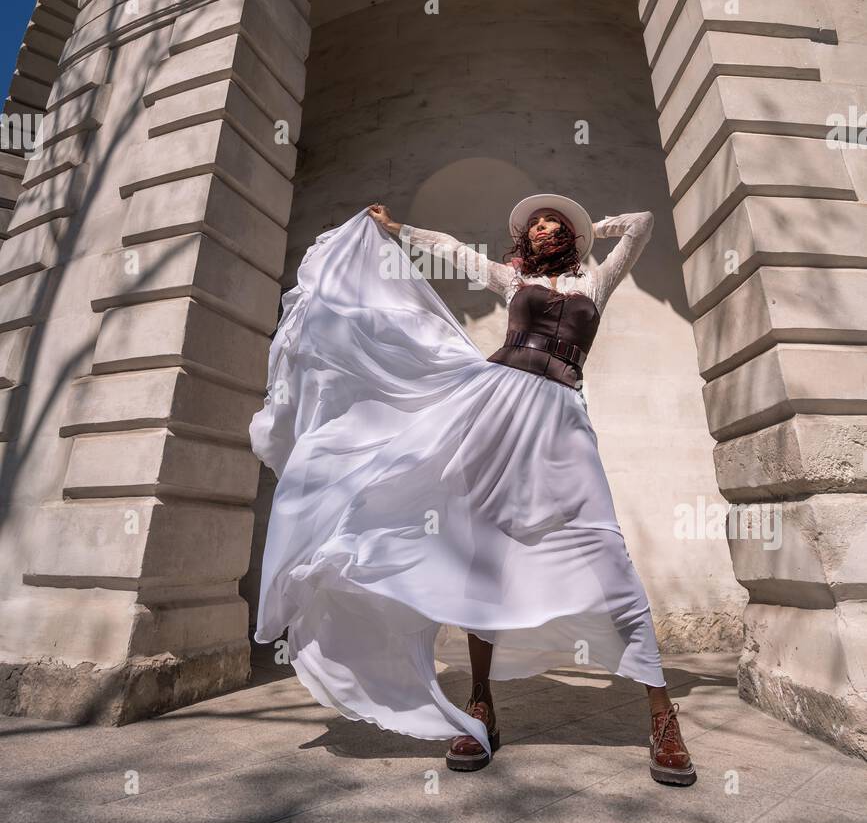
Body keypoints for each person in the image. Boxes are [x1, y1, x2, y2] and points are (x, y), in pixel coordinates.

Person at [250, 198, 696, 787]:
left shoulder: (596, 276)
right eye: (534, 223)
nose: (541, 227)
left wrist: (593, 230)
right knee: (483, 554)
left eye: (553, 223)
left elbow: (641, 225)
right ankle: (480, 704)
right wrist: (396, 230)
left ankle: (662, 716)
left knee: (605, 548)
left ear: (568, 235)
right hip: (495, 406)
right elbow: (453, 253)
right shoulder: (512, 278)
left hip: (561, 416)